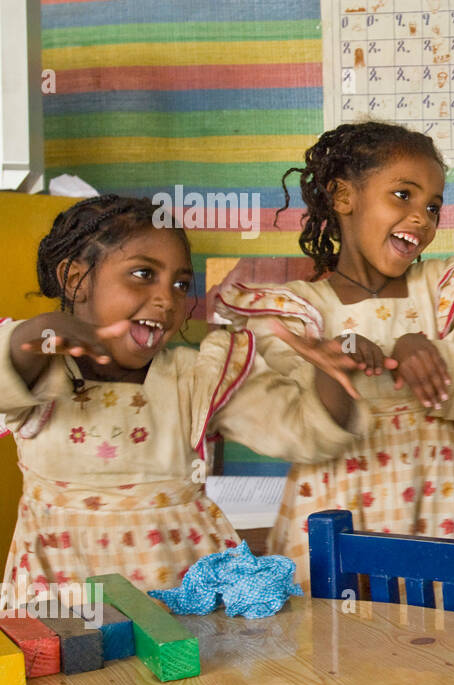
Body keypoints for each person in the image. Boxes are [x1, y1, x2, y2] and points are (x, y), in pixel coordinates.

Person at [0, 195, 365, 602]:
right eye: (143, 273)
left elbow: (306, 432)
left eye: (179, 285)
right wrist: (36, 332)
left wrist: (334, 373)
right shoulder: (38, 371)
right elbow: (7, 369)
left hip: (182, 593)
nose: (166, 300)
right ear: (73, 279)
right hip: (61, 600)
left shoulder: (197, 376)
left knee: (189, 665)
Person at [215, 121, 454, 583]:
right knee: (333, 641)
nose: (422, 218)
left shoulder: (445, 290)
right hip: (333, 505)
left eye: (433, 206)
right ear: (344, 197)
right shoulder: (297, 313)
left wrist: (425, 349)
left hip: (437, 503)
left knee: (443, 637)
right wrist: (336, 357)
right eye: (403, 195)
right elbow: (290, 413)